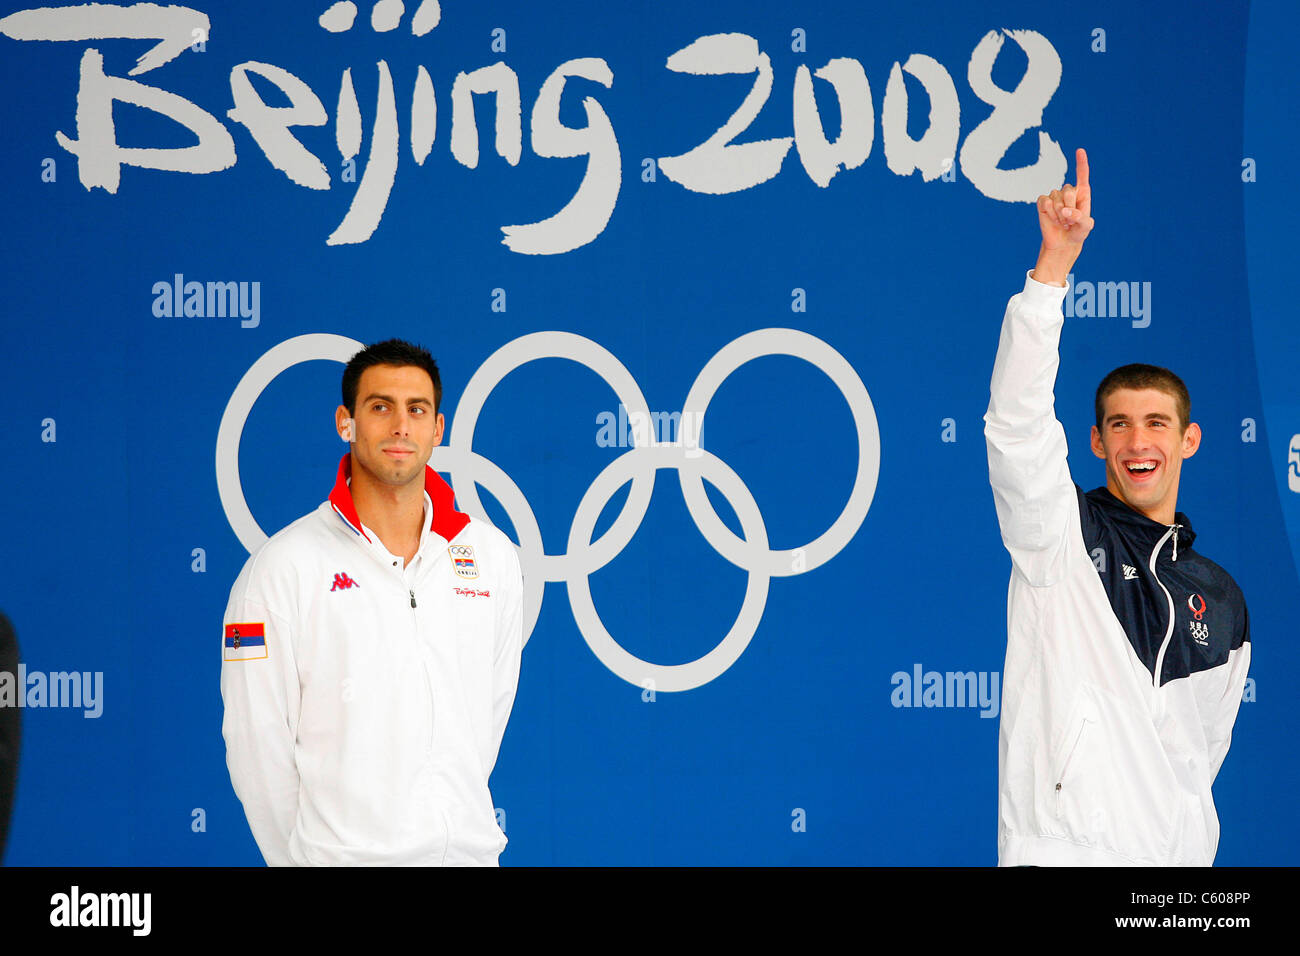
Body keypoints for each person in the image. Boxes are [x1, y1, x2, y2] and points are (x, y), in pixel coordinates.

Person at [984, 149, 1250, 866]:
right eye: (1121, 425)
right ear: (1096, 441)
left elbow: (1199, 765)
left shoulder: (1221, 599)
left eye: (1157, 424)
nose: (1140, 442)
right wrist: (1051, 272)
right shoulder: (1060, 539)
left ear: (1188, 439)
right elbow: (1015, 427)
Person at [221, 339, 524, 866]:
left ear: (438, 428)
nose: (401, 427)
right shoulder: (280, 569)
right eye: (380, 407)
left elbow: (485, 721)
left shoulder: (491, 556)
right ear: (347, 422)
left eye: (417, 409)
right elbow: (257, 747)